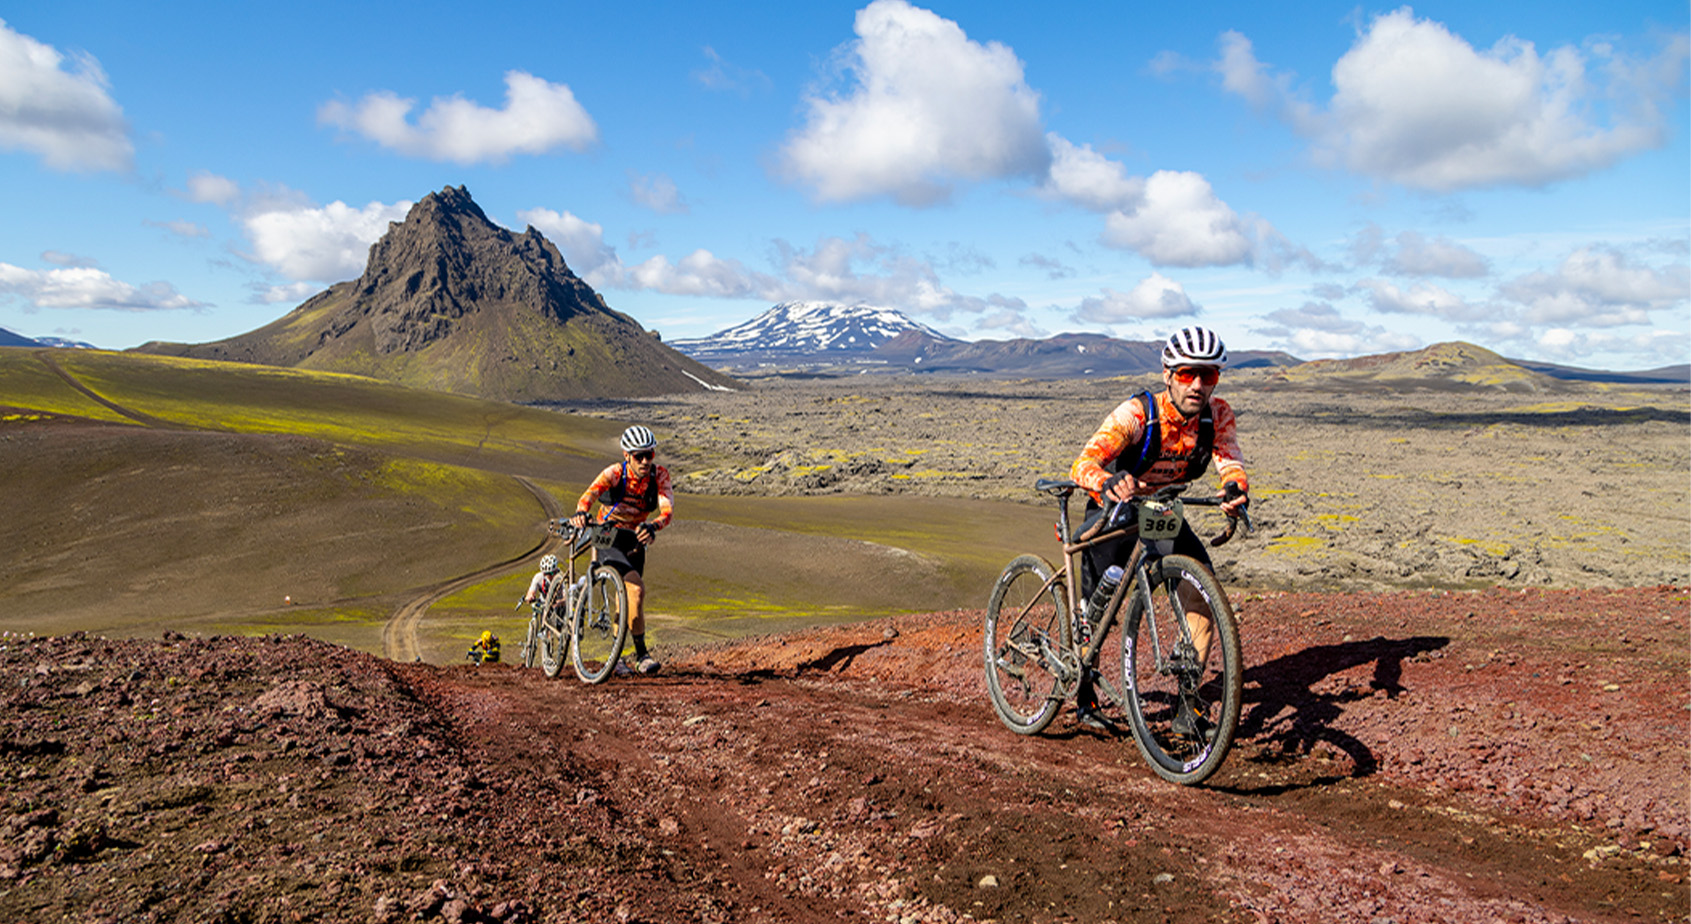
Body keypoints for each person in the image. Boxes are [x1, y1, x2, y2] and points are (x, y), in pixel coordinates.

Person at [1068, 325, 1251, 734]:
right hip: (1116, 510)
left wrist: (1235, 487)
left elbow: (1229, 459)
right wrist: (1108, 481)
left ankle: (1187, 704)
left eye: (1209, 375)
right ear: (1168, 374)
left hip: (1161, 511)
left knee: (1202, 594)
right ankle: (1083, 690)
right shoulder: (1137, 414)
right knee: (1096, 610)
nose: (1198, 385)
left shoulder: (1217, 414)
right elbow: (1082, 464)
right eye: (1187, 374)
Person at [569, 425, 674, 675]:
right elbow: (588, 496)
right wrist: (582, 513)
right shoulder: (615, 473)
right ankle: (641, 654)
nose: (646, 461)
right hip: (608, 535)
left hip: (635, 537)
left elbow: (667, 509)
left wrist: (653, 526)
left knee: (632, 598)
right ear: (627, 455)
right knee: (635, 587)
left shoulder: (659, 476)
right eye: (639, 456)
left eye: (649, 454)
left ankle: (625, 658)